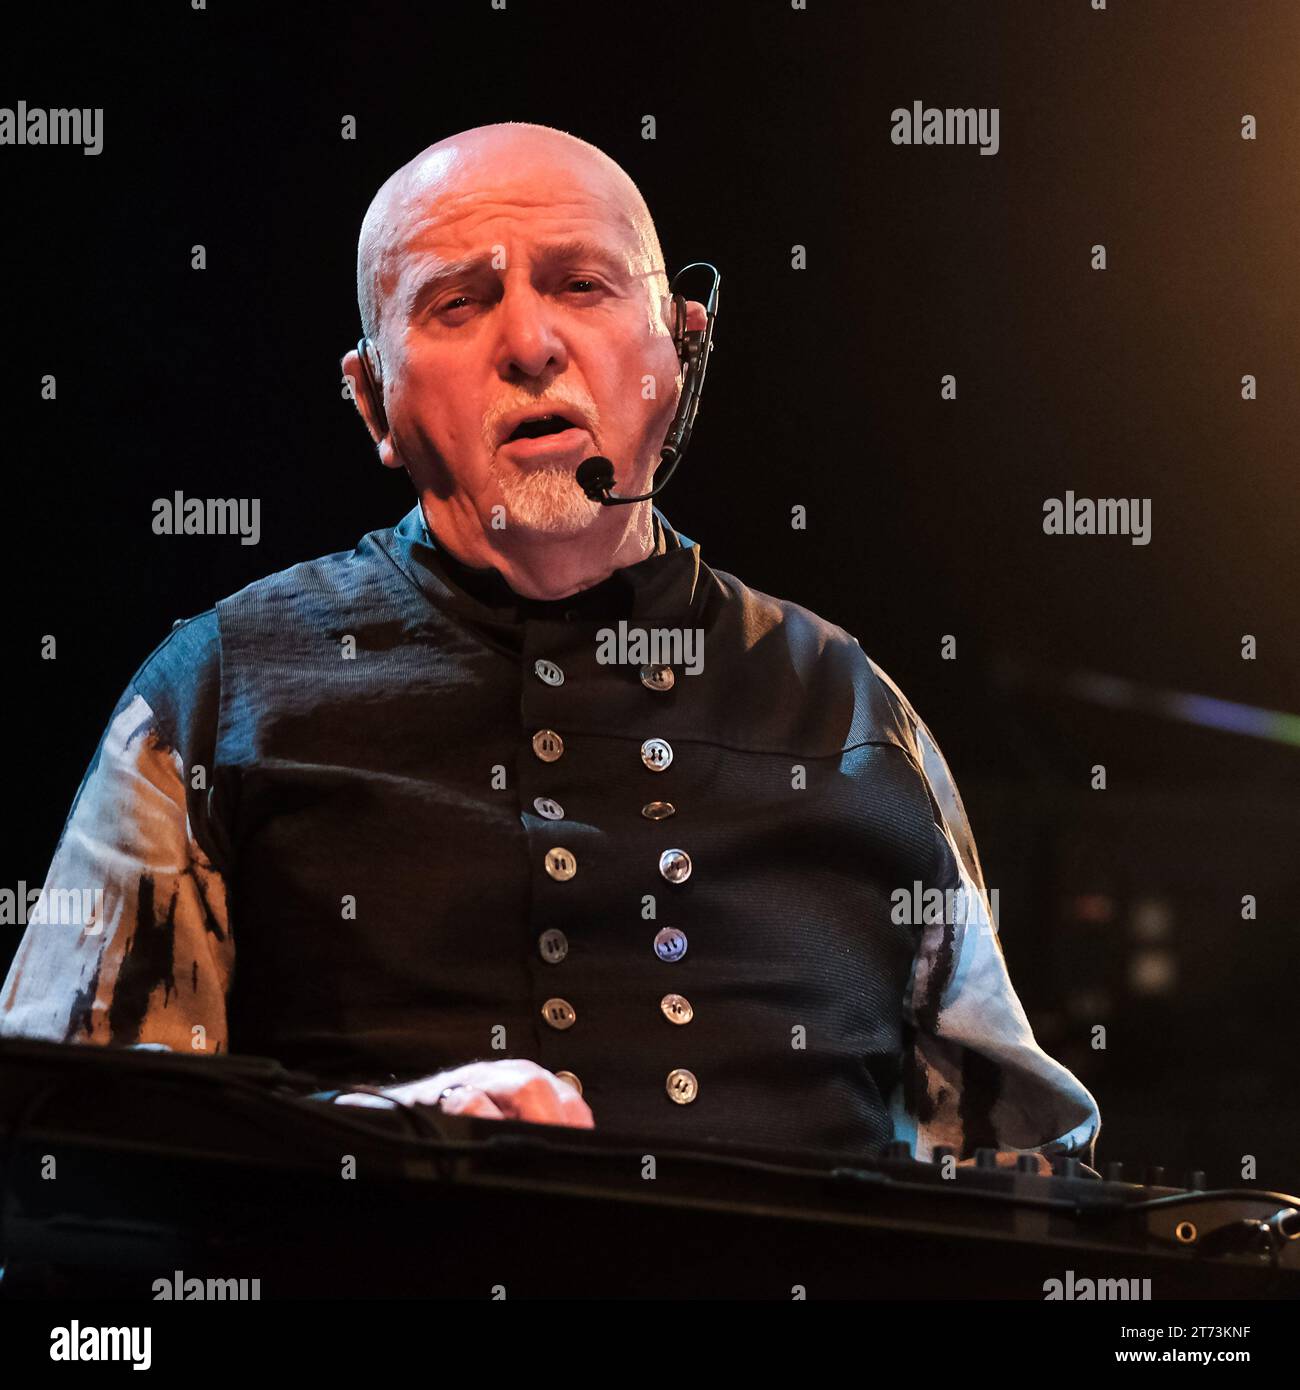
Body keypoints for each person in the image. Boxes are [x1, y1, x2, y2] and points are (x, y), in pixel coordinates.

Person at [0, 122, 1099, 1166]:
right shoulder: (220, 690)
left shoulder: (851, 708)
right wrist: (371, 1139)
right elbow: (65, 1140)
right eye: (457, 304)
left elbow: (1019, 1175)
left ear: (678, 349)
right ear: (373, 402)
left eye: (582, 285)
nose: (529, 344)